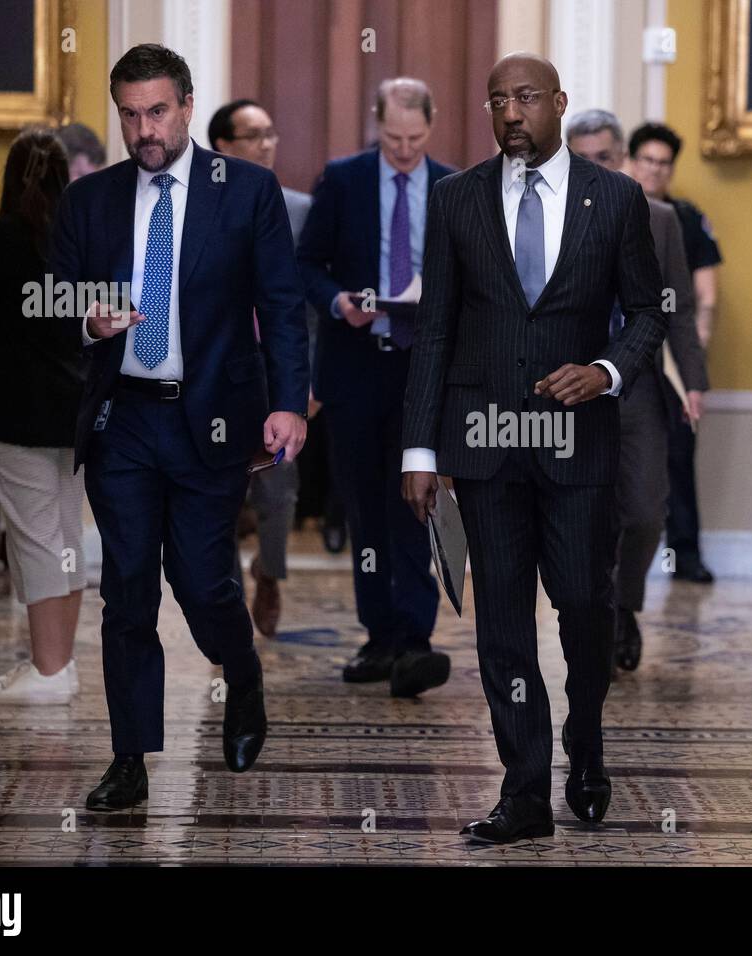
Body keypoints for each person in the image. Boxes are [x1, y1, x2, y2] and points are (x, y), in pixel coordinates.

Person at [402, 53, 667, 843]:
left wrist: (607, 370)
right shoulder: (456, 200)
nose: (509, 112)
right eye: (495, 101)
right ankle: (523, 789)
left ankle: (584, 737)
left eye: (523, 98)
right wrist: (420, 453)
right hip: (483, 448)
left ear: (557, 102)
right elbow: (437, 327)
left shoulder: (615, 199)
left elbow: (650, 314)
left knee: (585, 608)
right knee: (503, 626)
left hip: (578, 444)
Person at [51, 44, 309, 808]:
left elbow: (282, 307)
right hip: (122, 419)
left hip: (215, 421)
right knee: (126, 589)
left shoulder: (247, 192)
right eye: (129, 114)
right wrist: (86, 318)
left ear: (188, 106)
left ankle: (243, 672)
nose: (144, 129)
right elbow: (56, 292)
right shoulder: (90, 200)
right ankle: (129, 757)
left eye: (157, 111)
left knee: (201, 582)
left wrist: (289, 401)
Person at [298, 78, 453, 697]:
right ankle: (379, 634)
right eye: (393, 138)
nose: (405, 149)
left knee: (417, 504)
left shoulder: (453, 185)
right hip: (356, 367)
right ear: (376, 125)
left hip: (421, 369)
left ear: (431, 129)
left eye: (415, 138)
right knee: (365, 507)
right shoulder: (342, 179)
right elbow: (305, 264)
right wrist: (337, 302)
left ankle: (416, 639)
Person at [0, 129, 87, 704]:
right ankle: (59, 664)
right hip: (74, 408)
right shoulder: (78, 235)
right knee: (66, 537)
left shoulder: (4, 234)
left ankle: (49, 672)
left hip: (13, 409)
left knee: (34, 539)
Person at [567, 109, 708, 672]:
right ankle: (591, 613)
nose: (594, 168)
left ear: (622, 159)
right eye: (582, 159)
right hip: (565, 387)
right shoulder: (546, 216)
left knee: (646, 509)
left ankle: (624, 605)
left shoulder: (660, 219)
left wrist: (694, 382)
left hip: (638, 386)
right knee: (581, 513)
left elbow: (680, 306)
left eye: (604, 157)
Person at [209, 97, 316, 636]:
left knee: (279, 490)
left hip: (277, 377)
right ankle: (227, 602)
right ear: (223, 145)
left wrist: (309, 382)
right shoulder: (202, 205)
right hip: (218, 374)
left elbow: (308, 307)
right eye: (254, 135)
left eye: (271, 133)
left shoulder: (300, 209)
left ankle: (269, 574)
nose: (267, 143)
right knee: (220, 496)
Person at [627, 122, 722, 584]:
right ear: (631, 161)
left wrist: (691, 365)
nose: (654, 169)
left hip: (667, 358)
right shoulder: (608, 206)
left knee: (678, 456)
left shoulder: (682, 218)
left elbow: (701, 298)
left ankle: (686, 553)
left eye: (663, 163)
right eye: (647, 159)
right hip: (615, 359)